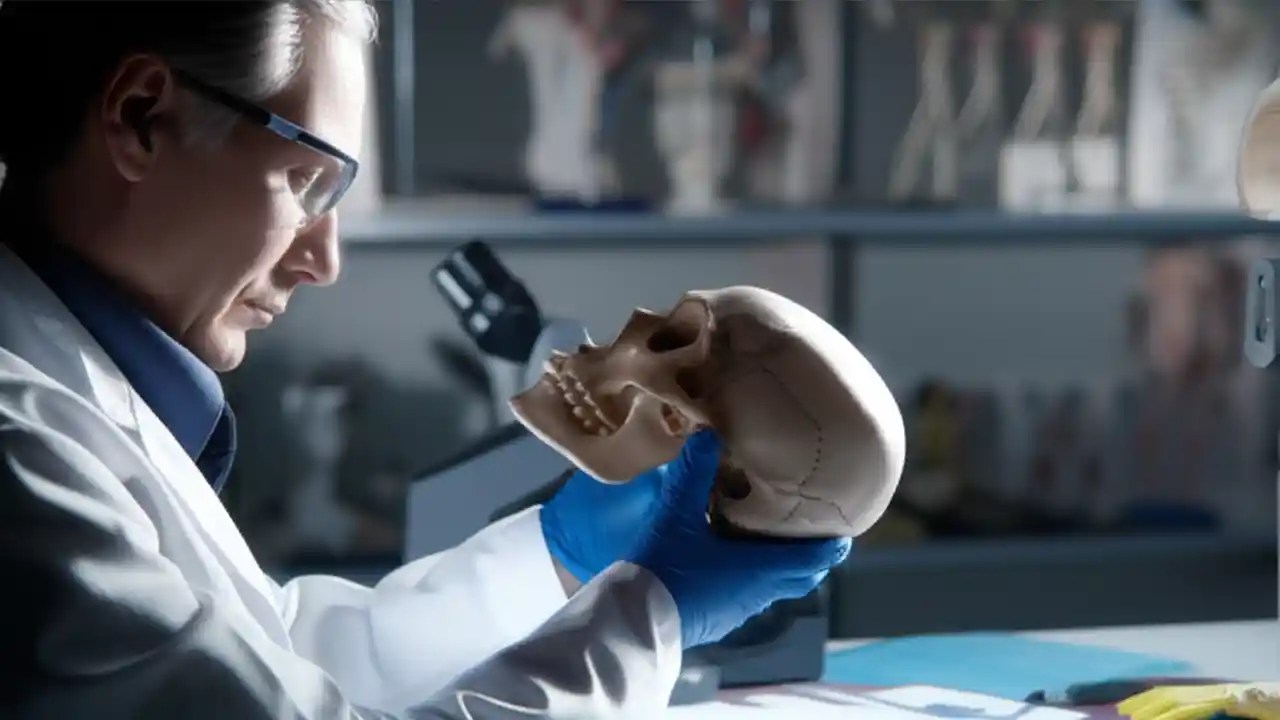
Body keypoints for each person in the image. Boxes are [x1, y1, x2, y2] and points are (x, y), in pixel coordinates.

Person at [0, 2, 851, 718]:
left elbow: (278, 659)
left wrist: (558, 559)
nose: (324, 260)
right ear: (141, 118)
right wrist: (643, 617)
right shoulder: (20, 458)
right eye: (305, 182)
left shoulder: (71, 390)